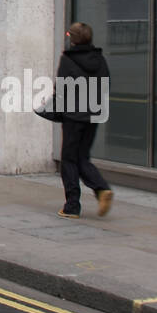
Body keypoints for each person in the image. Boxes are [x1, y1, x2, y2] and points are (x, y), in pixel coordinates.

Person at [55, 21, 112, 220]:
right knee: (82, 156)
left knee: (69, 159)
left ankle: (72, 205)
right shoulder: (99, 59)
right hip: (93, 115)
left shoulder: (68, 59)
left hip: (73, 116)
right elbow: (106, 85)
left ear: (72, 39)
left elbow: (61, 89)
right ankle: (101, 189)